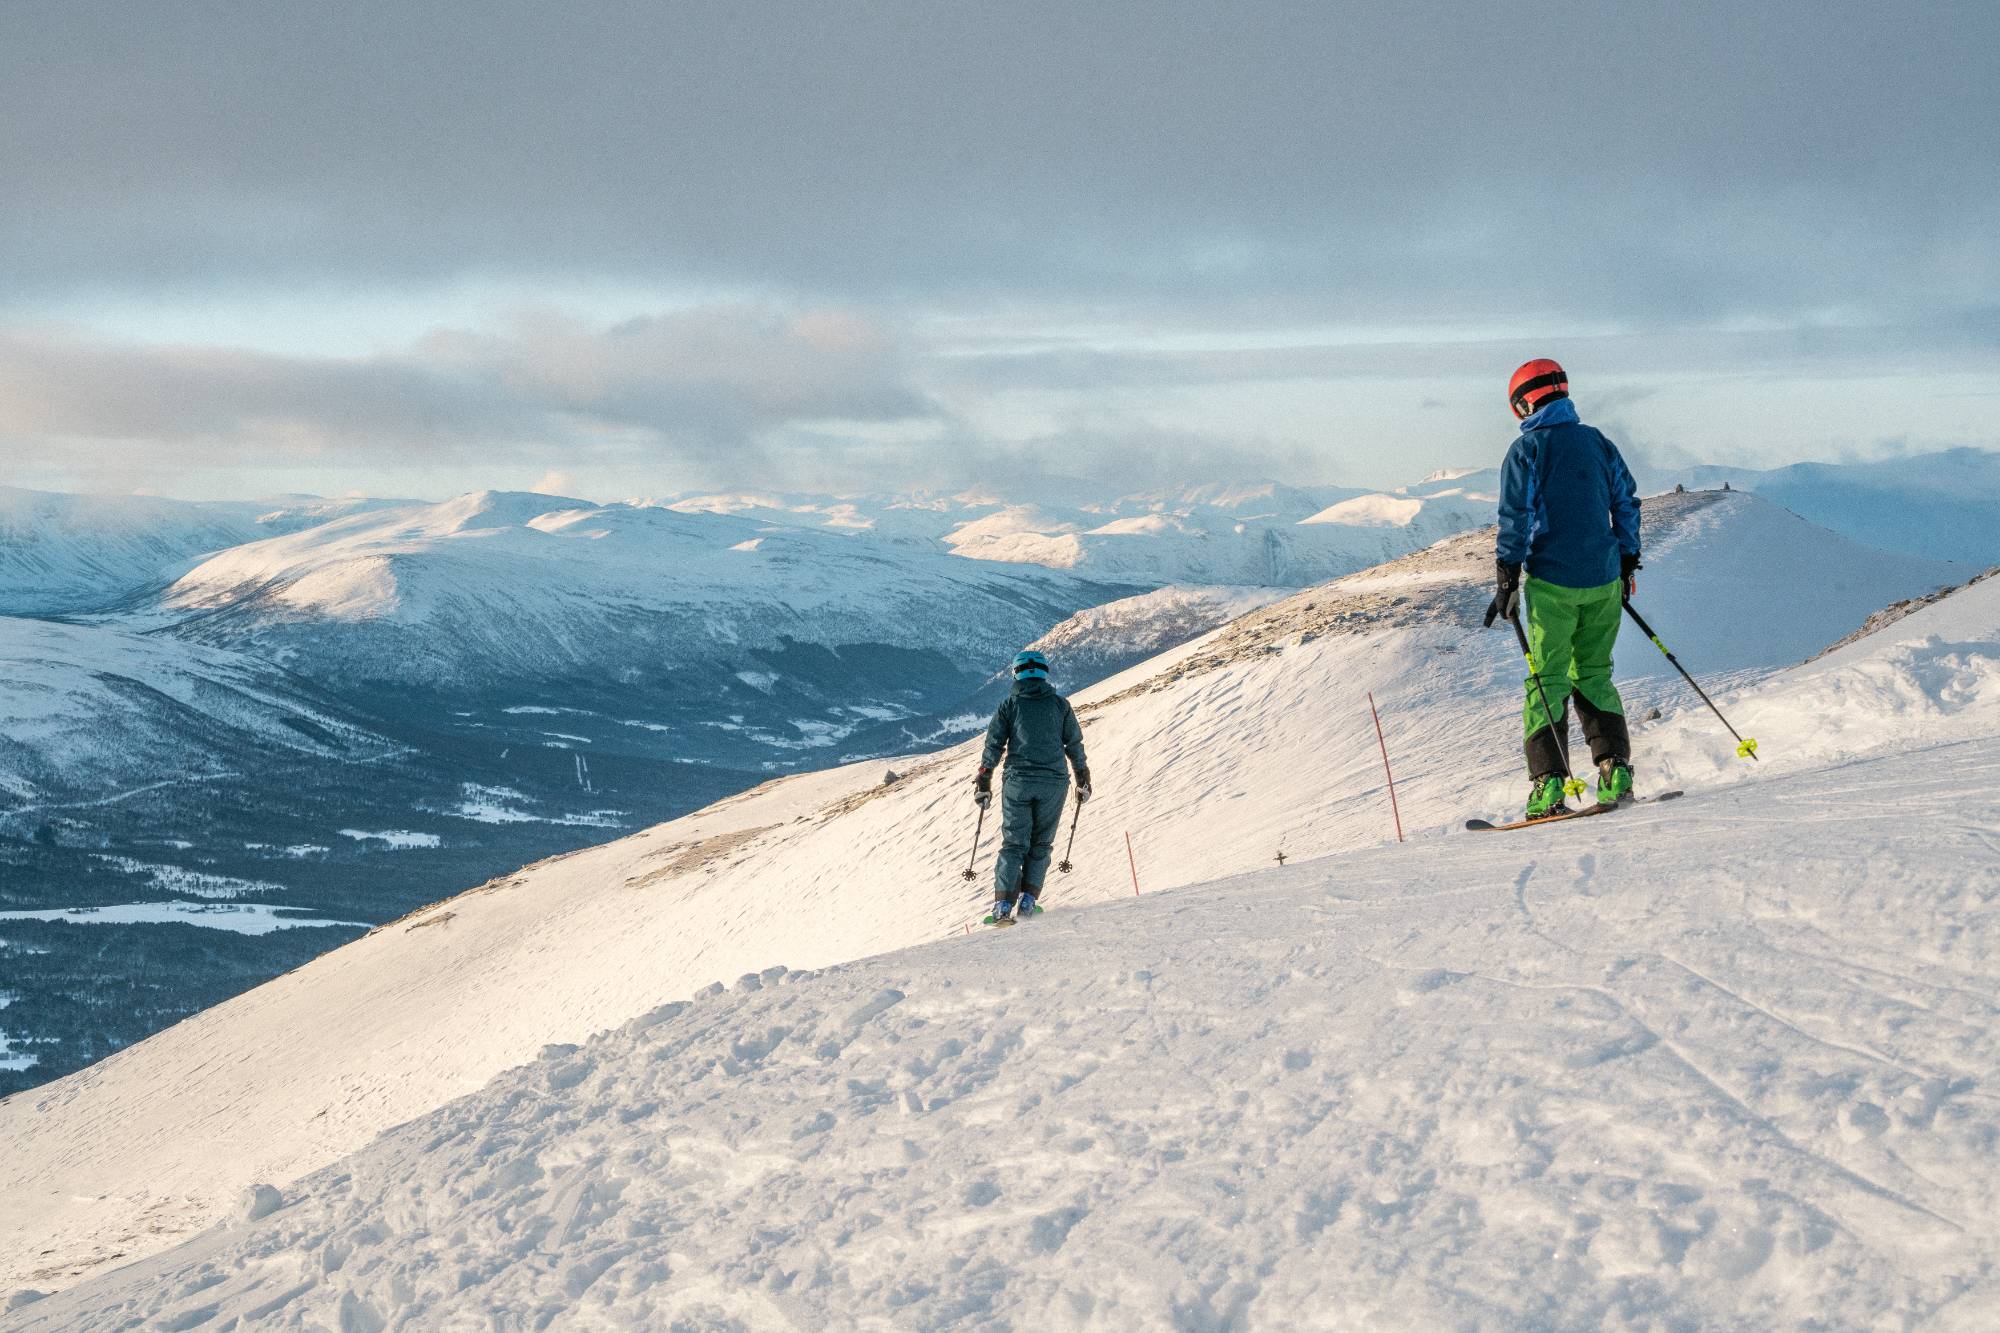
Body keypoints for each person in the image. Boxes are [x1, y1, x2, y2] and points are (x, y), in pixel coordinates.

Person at [1484, 358, 1642, 819]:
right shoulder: (1599, 442)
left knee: (1547, 679)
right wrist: (1627, 560)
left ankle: (1548, 788)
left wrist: (1507, 577)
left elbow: (1516, 517)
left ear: (1524, 402)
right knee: (1594, 673)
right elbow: (1625, 502)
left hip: (1553, 582)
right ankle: (1616, 772)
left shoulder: (1527, 450)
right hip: (1605, 580)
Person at [973, 650, 1091, 925]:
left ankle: (1003, 905)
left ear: (1016, 674)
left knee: (1014, 842)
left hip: (1019, 782)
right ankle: (1028, 901)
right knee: (1041, 843)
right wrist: (1082, 777)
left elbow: (994, 745)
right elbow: (1074, 744)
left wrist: (984, 778)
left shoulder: (1009, 706)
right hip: (1054, 783)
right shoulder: (1061, 705)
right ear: (1045, 673)